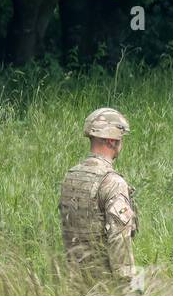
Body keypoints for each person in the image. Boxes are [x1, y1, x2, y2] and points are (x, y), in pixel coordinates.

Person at [59, 107, 137, 282]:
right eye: (121, 139)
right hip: (103, 285)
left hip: (73, 281)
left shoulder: (71, 176)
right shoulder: (113, 183)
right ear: (111, 140)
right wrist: (133, 290)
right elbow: (120, 243)